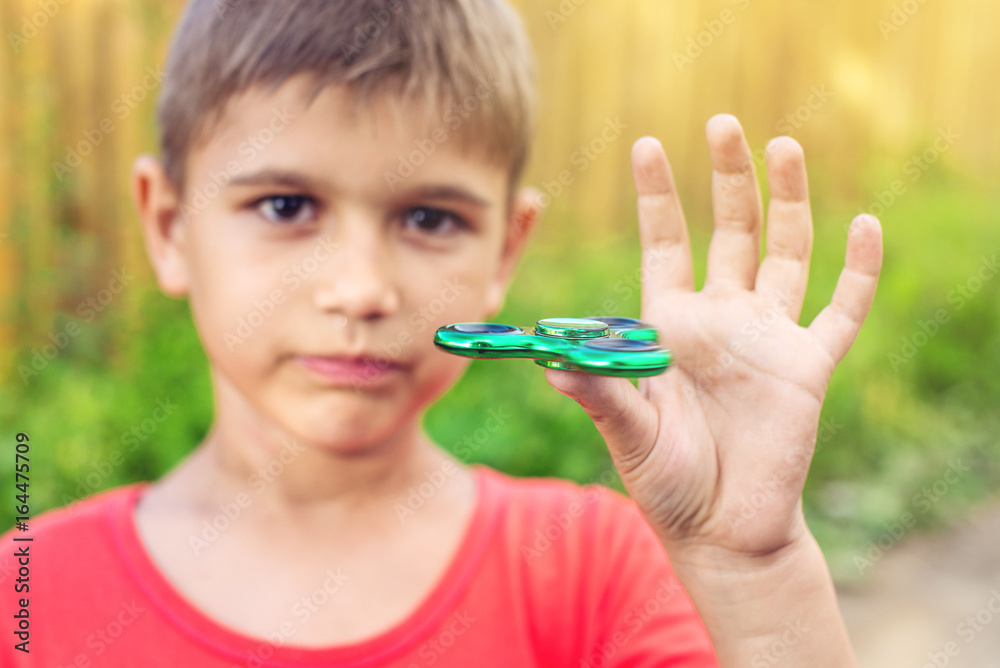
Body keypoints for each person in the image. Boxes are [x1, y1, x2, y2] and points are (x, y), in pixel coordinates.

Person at [0, 1, 882, 665]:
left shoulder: (591, 575)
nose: (362, 289)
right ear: (167, 225)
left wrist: (753, 577)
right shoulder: (25, 599)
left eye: (428, 217)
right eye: (285, 205)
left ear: (507, 247)